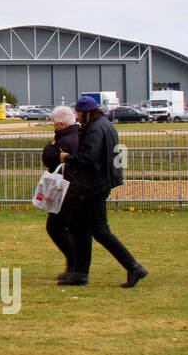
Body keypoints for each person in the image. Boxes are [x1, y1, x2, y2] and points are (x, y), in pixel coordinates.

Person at [60, 95, 149, 287]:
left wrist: (68, 157)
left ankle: (133, 267)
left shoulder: (95, 129)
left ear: (87, 113)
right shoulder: (104, 125)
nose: (77, 116)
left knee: (100, 230)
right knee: (82, 228)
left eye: (78, 113)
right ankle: (80, 273)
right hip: (100, 182)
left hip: (95, 185)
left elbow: (89, 156)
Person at [40, 106, 82, 281]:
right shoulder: (80, 136)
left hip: (67, 190)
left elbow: (48, 157)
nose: (54, 127)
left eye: (55, 125)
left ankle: (74, 264)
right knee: (74, 228)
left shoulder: (65, 141)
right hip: (78, 189)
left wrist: (52, 145)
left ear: (62, 124)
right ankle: (76, 265)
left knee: (55, 226)